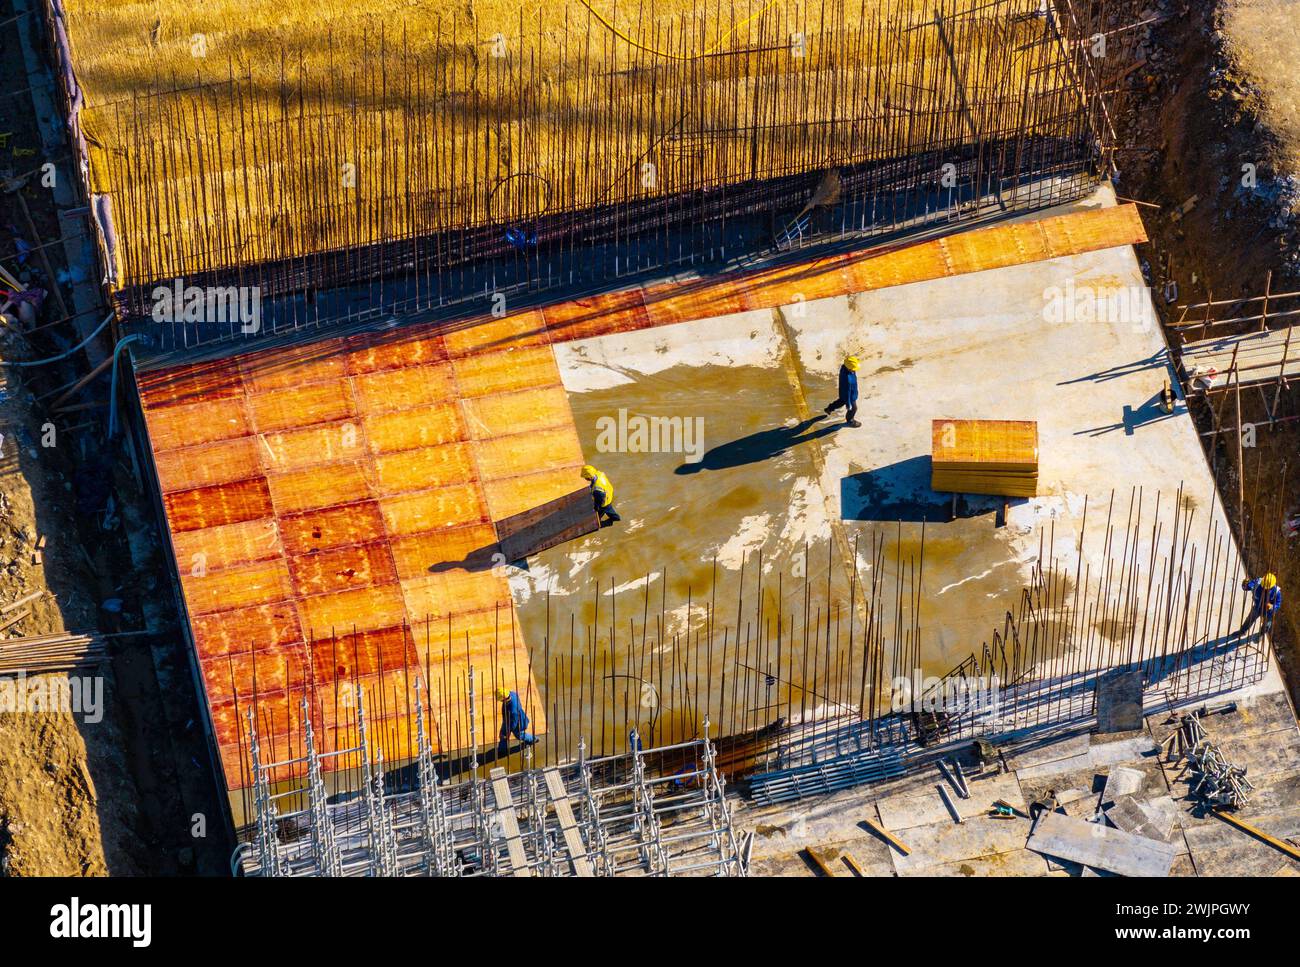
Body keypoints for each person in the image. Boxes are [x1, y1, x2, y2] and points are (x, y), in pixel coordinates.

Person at [1238, 572, 1282, 637]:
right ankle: (1242, 631)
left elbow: (1278, 604)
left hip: (1268, 611)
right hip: (1257, 606)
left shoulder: (1276, 592)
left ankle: (1261, 634)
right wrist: (1244, 585)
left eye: (1267, 587)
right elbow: (1247, 587)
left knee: (1267, 624)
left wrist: (1272, 606)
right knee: (1250, 619)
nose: (1265, 588)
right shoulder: (1258, 582)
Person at [822, 355, 861, 427]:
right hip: (850, 396)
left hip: (843, 393)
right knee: (854, 408)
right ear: (849, 368)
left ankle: (829, 409)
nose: (854, 370)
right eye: (853, 369)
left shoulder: (844, 368)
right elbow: (848, 392)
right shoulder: (848, 379)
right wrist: (848, 404)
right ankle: (850, 420)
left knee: (840, 402)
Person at [496, 686, 536, 754]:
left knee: (519, 735)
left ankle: (533, 739)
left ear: (504, 699)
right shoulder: (512, 694)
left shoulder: (513, 709)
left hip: (517, 722)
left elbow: (513, 723)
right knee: (502, 734)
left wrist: (507, 732)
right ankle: (502, 749)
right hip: (508, 718)